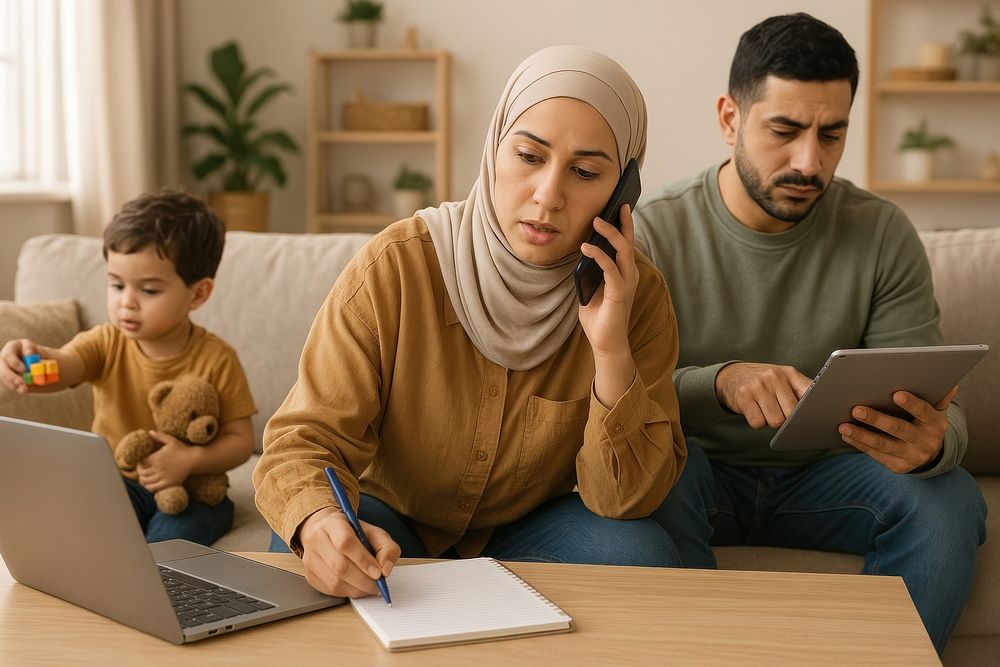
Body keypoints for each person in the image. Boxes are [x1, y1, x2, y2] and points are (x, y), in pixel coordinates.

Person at [254, 45, 687, 600]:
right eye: (529, 156)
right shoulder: (397, 267)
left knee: (641, 556)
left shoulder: (635, 294)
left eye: (584, 172)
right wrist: (317, 522)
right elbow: (300, 440)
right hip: (394, 518)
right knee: (296, 547)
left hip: (531, 528)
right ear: (493, 150)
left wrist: (610, 351)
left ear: (621, 189)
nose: (549, 195)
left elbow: (625, 501)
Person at [633, 13, 987, 655]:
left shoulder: (881, 234)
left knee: (951, 503)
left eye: (832, 135)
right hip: (698, 473)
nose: (809, 161)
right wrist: (722, 382)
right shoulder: (656, 230)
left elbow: (942, 408)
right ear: (729, 118)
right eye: (785, 130)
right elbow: (616, 397)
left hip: (831, 478)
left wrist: (936, 445)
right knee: (652, 479)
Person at [0, 190, 257, 546]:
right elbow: (63, 367)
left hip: (194, 492)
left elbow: (241, 442)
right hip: (118, 484)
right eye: (117, 285)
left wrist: (189, 460)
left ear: (197, 295)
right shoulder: (106, 342)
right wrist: (27, 358)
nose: (126, 303)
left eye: (149, 290)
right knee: (76, 531)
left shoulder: (217, 358)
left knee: (167, 551)